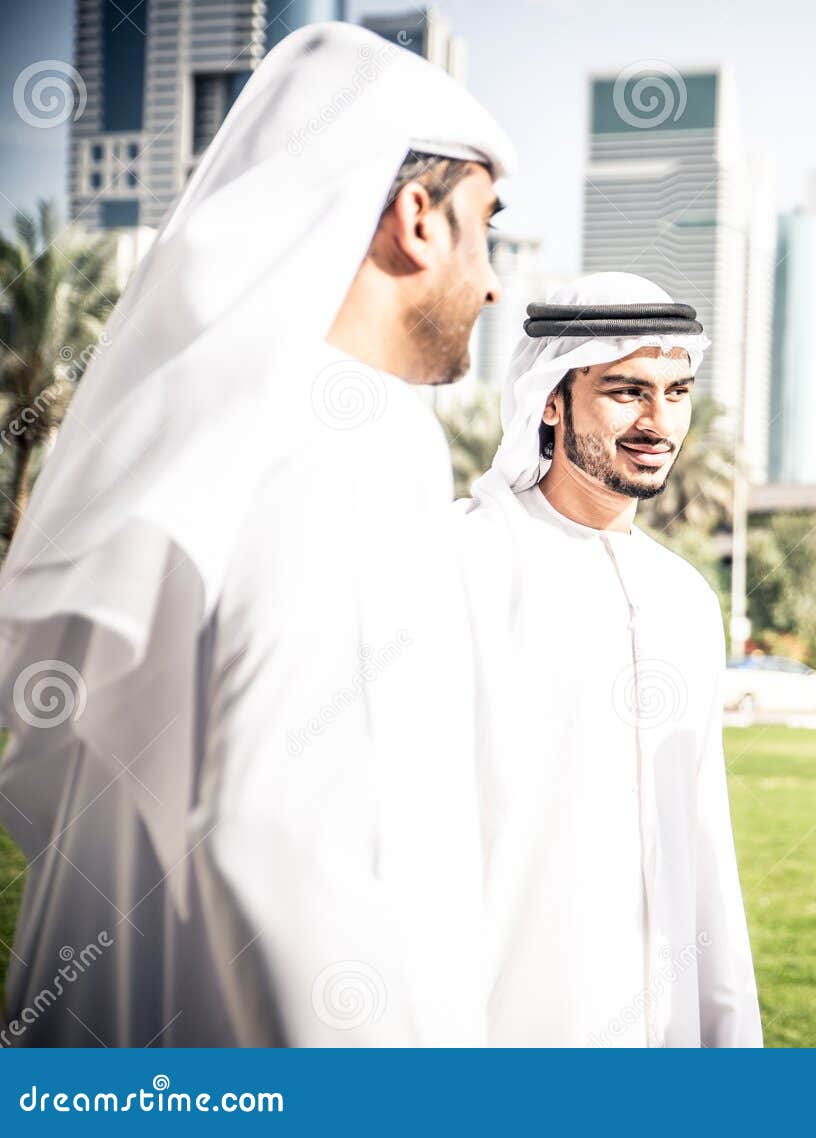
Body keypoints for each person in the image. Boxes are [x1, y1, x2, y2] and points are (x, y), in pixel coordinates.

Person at [0, 23, 515, 1046]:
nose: (495, 280)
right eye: (485, 227)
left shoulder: (218, 429)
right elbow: (281, 841)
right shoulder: (356, 432)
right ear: (416, 218)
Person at [459, 271, 762, 1047]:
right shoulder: (464, 562)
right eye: (627, 392)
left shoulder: (685, 597)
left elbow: (705, 846)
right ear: (550, 399)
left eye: (677, 392)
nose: (659, 421)